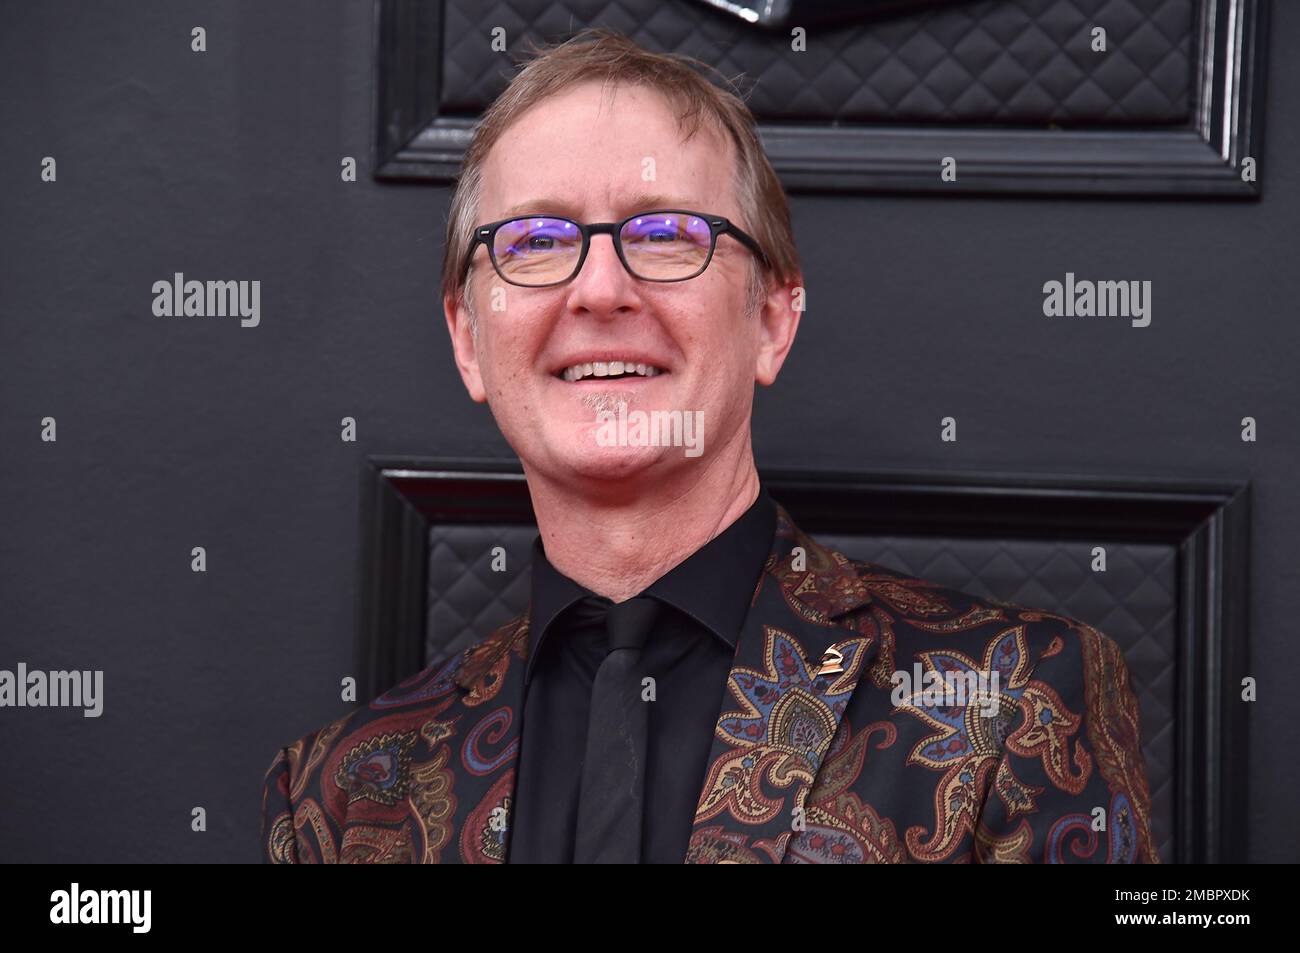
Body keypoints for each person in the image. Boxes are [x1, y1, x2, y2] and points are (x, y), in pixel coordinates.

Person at [259, 27, 1157, 864]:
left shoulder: (1015, 700)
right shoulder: (338, 790)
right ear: (467, 339)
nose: (599, 289)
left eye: (665, 234)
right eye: (535, 240)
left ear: (771, 318)